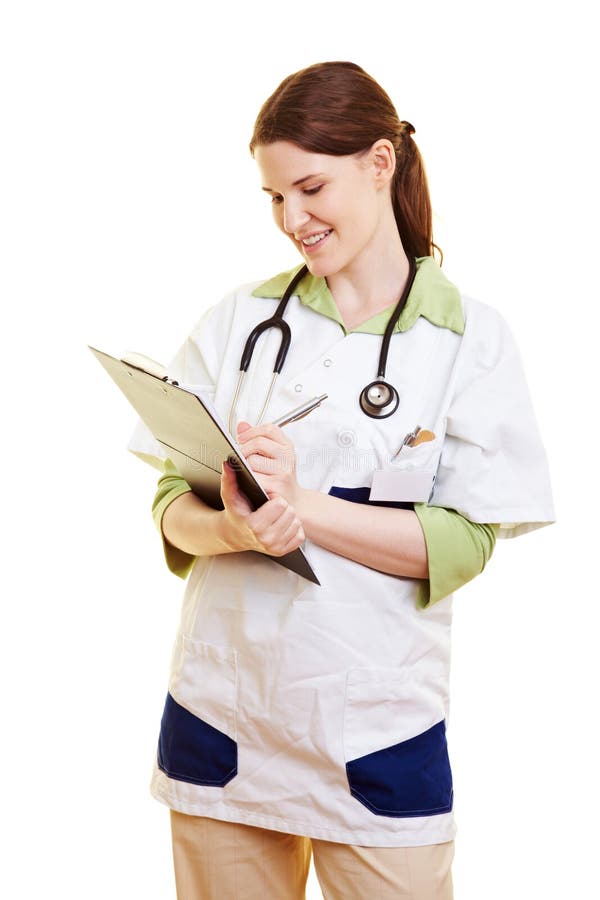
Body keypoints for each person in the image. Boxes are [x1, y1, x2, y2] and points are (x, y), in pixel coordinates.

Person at [128, 61, 555, 900]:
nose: (293, 219)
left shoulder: (469, 339)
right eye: (274, 197)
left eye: (310, 187)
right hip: (226, 710)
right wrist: (235, 530)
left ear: (380, 164)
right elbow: (171, 505)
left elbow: (463, 543)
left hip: (376, 726)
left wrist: (303, 508)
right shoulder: (241, 320)